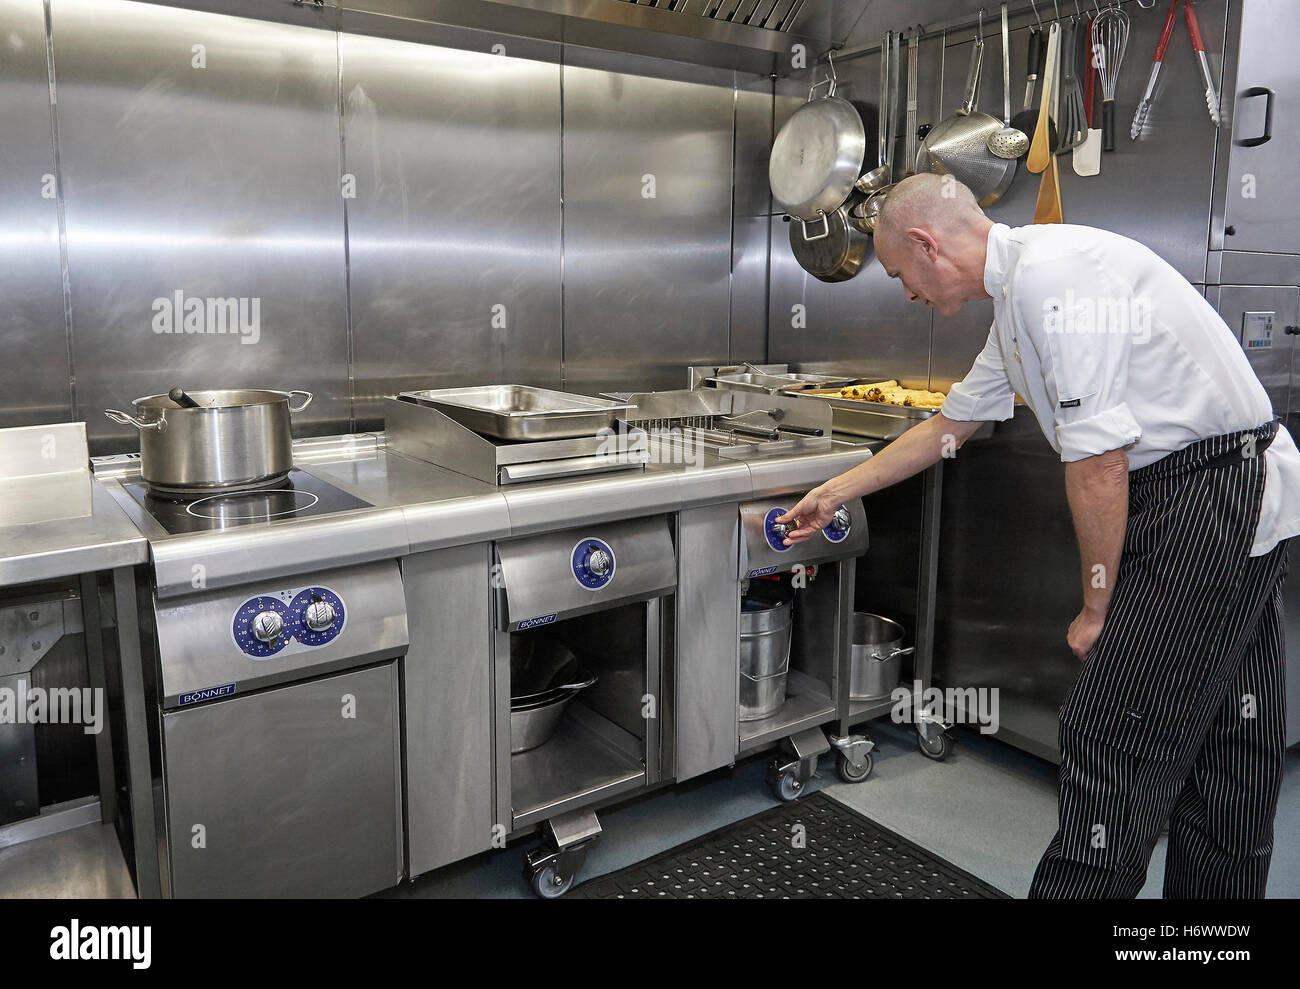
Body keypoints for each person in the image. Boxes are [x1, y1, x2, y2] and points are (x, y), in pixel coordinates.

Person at [777, 172, 1300, 898]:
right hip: (1222, 490)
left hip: (1205, 494)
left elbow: (1098, 463)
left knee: (1112, 734)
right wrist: (836, 490)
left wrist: (1098, 606)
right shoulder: (1022, 293)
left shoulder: (1052, 281)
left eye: (901, 274)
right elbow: (950, 425)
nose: (907, 294)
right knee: (1231, 740)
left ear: (927, 244)